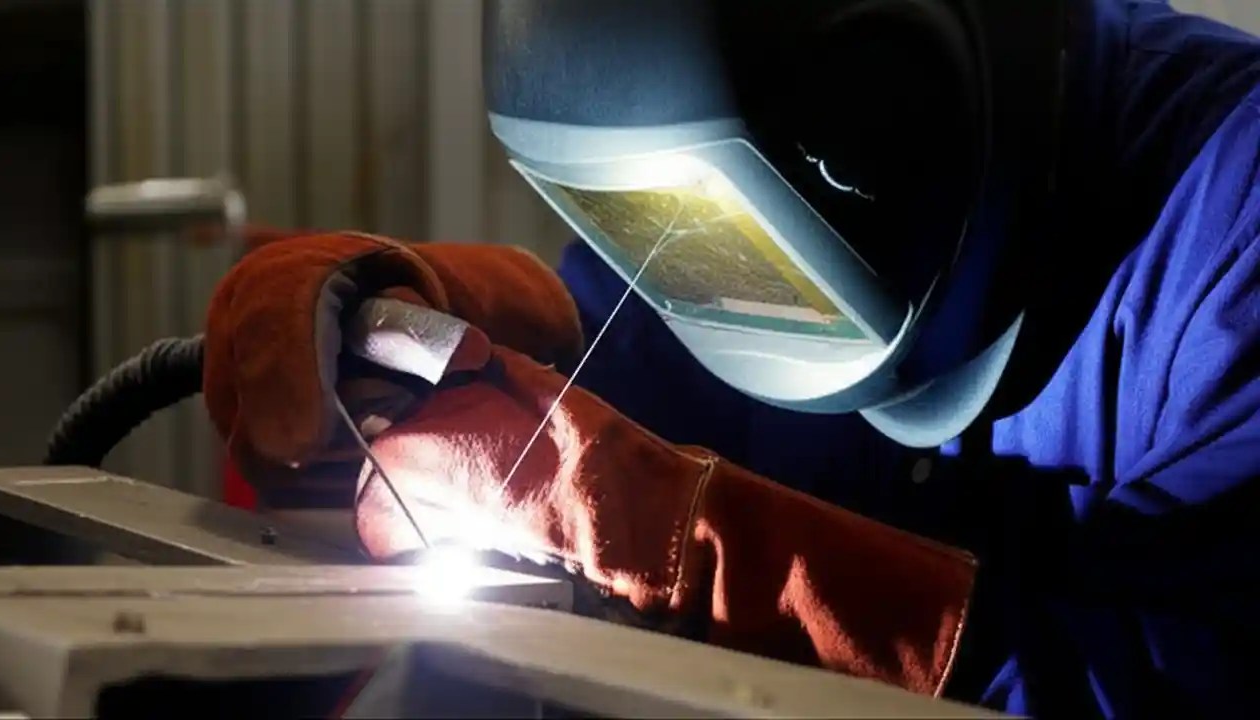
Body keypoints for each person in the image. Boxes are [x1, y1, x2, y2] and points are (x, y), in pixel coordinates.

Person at [204, 0, 1260, 716]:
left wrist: (717, 558)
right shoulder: (730, 160)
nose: (702, 270)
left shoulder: (1230, 220)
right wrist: (422, 333)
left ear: (892, 106)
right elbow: (619, 365)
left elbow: (1187, 685)